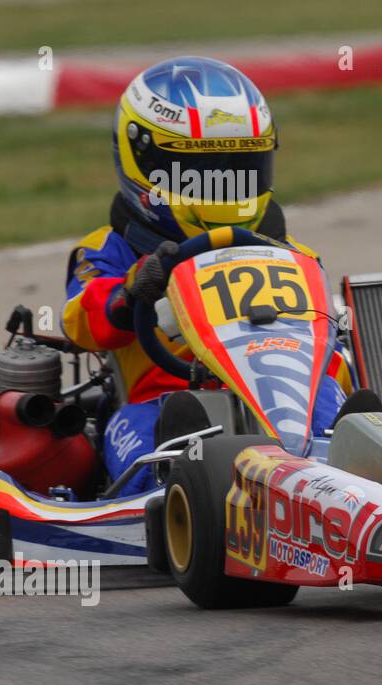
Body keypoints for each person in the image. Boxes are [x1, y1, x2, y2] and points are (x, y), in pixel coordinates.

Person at [62, 56, 351, 496]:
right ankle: (169, 499)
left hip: (285, 399)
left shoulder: (295, 256)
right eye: (198, 173)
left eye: (239, 170)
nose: (222, 185)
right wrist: (132, 291)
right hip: (162, 398)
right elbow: (83, 321)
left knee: (337, 411)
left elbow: (325, 351)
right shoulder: (109, 249)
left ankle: (354, 476)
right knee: (147, 444)